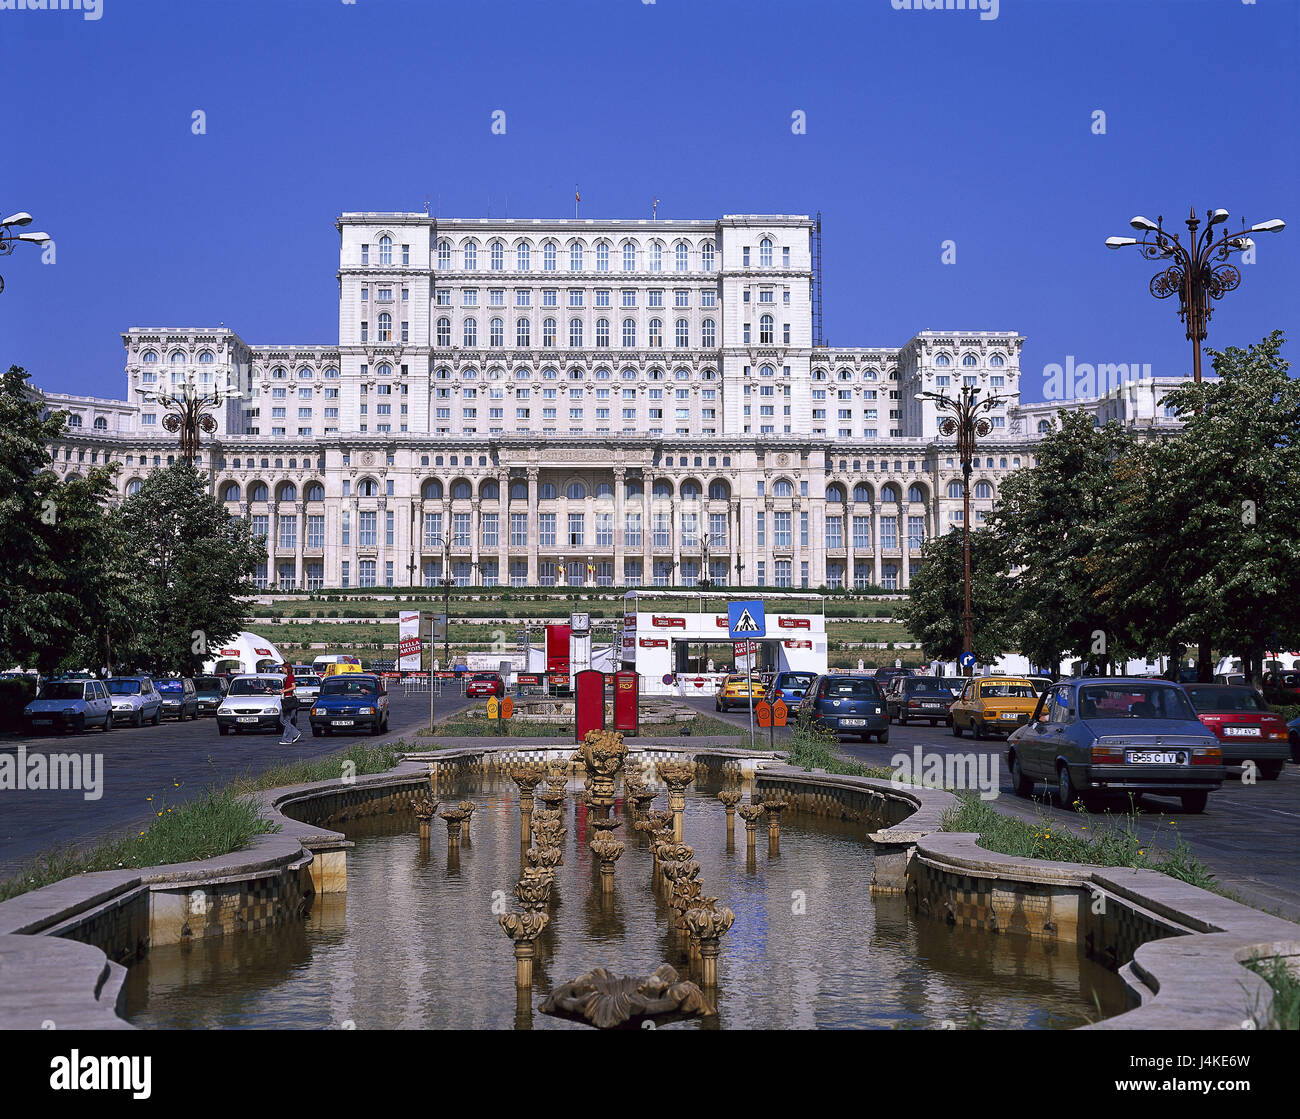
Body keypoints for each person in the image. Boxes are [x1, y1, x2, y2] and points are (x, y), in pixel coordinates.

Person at [279, 663, 301, 744]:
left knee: (285, 720)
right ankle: (292, 735)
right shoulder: (286, 678)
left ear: (286, 668)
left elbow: (294, 687)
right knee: (285, 720)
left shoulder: (290, 677)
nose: (282, 670)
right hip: (286, 699)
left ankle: (288, 739)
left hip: (289, 701)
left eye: (283, 668)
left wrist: (284, 691)